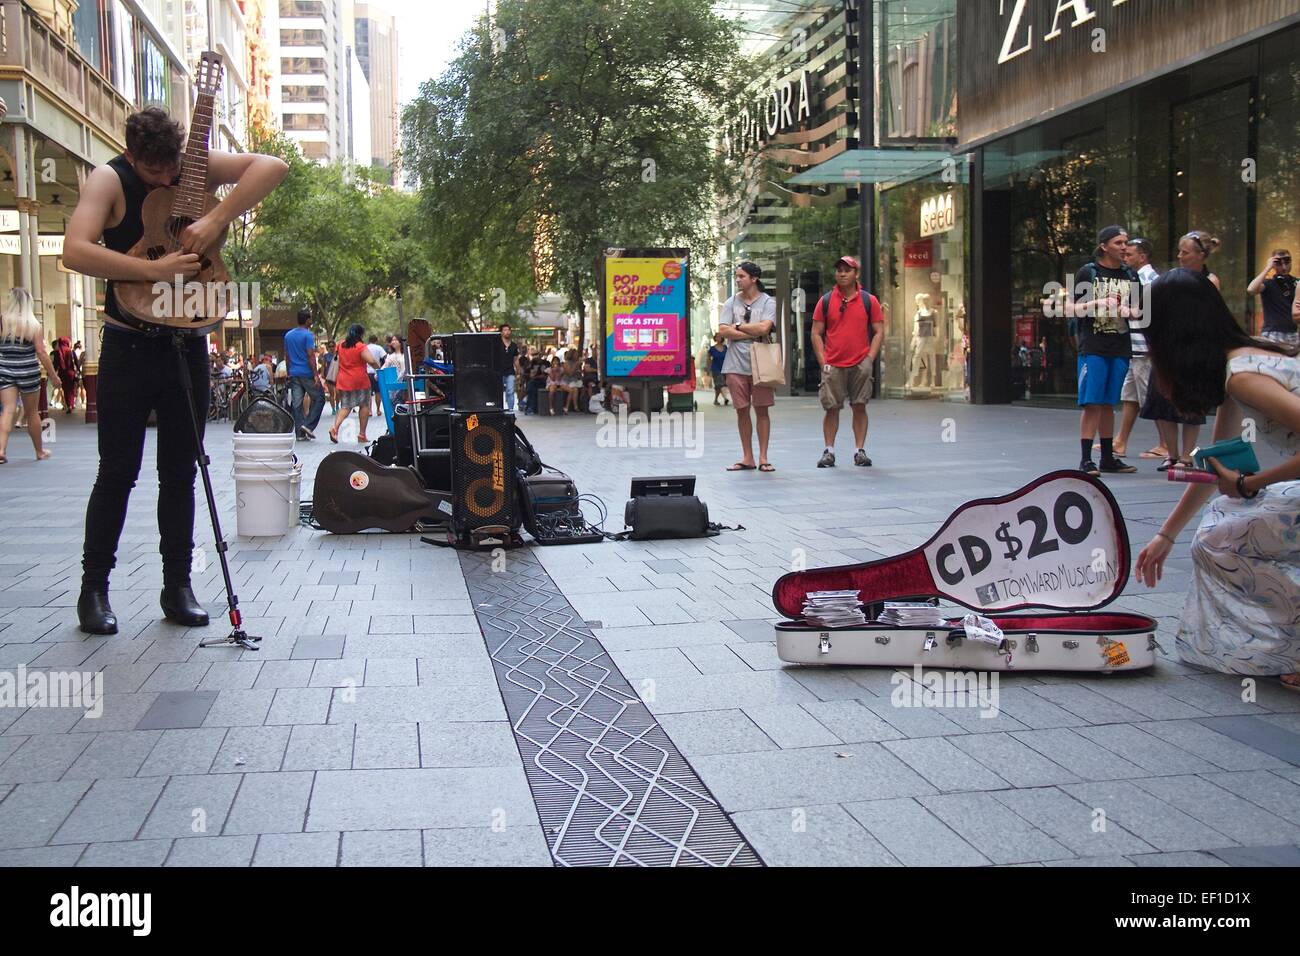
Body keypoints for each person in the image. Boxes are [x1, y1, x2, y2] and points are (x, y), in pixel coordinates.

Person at [61, 106, 288, 635]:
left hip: (184, 344)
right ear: (132, 155)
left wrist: (215, 217)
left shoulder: (190, 167)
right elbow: (74, 249)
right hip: (127, 346)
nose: (168, 179)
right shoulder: (108, 178)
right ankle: (94, 589)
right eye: (155, 172)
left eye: (174, 169)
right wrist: (152, 270)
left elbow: (272, 166)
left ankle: (178, 585)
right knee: (117, 472)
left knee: (181, 473)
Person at [1135, 268, 1300, 689]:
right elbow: (1214, 463)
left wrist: (1252, 483)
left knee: (1217, 540)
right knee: (1222, 517)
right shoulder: (1246, 360)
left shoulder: (1242, 378)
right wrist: (1166, 536)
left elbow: (1233, 476)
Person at [1142, 231, 1219, 471]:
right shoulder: (1172, 277)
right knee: (1160, 397)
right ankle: (1171, 454)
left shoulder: (1210, 280)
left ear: (1201, 255)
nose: (1180, 256)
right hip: (1168, 344)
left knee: (1191, 402)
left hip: (1194, 346)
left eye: (1185, 252)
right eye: (1180, 251)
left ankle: (1186, 456)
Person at [1068, 225, 1139, 476]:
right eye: (1119, 242)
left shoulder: (1130, 275)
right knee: (1092, 403)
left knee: (1109, 403)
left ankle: (1108, 457)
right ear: (1104, 246)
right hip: (1093, 346)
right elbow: (1071, 310)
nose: (1124, 247)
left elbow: (1139, 309)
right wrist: (1096, 302)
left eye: (1126, 243)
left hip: (1119, 346)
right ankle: (1086, 459)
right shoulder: (1089, 272)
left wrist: (1130, 311)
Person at [811, 255, 884, 468]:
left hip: (860, 362)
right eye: (839, 270)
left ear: (856, 274)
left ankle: (859, 450)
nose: (842, 273)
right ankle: (829, 451)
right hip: (833, 364)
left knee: (859, 406)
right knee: (831, 408)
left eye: (847, 270)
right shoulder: (826, 301)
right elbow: (816, 333)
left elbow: (879, 331)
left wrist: (870, 358)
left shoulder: (868, 301)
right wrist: (823, 360)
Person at [1110, 237, 1167, 461]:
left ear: (1142, 256)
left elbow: (1145, 311)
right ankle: (1120, 441)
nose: (1125, 257)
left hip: (1144, 348)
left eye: (1129, 254)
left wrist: (1124, 309)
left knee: (1151, 397)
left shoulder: (1148, 279)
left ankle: (1165, 444)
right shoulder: (1139, 278)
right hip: (1136, 348)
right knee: (1130, 396)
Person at [718, 261, 776, 472]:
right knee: (741, 410)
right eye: (737, 276)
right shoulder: (731, 302)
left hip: (761, 362)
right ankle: (747, 456)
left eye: (741, 276)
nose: (738, 280)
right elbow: (723, 330)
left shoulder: (768, 302)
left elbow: (765, 328)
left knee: (762, 410)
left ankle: (763, 457)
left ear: (754, 279)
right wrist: (751, 332)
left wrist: (739, 326)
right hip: (734, 363)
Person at [0, 288, 56, 463]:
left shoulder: (2, 321)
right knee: (32, 412)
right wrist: (54, 376)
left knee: (8, 410)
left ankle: (1, 449)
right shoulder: (33, 325)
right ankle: (39, 451)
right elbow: (41, 352)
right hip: (28, 372)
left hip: (6, 369)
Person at [329, 323, 381, 443]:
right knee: (364, 405)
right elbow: (371, 360)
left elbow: (337, 357)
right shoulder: (360, 346)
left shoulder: (341, 344)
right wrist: (378, 367)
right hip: (359, 380)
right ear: (360, 334)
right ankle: (362, 435)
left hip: (343, 380)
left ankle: (335, 428)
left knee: (346, 406)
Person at [285, 309, 324, 440]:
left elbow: (287, 355)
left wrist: (289, 371)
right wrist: (315, 374)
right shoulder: (308, 335)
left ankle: (300, 433)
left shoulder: (288, 335)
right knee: (319, 398)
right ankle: (308, 425)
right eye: (310, 319)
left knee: (297, 403)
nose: (311, 321)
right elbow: (310, 354)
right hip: (306, 373)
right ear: (307, 320)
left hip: (294, 373)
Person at [1247, 248, 1297, 347]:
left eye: (1287, 261)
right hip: (1273, 332)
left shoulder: (1296, 283)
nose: (1284, 267)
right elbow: (1251, 289)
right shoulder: (1268, 283)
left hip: (1292, 332)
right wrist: (1268, 267)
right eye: (1279, 263)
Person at [52, 337, 78, 413]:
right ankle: (71, 404)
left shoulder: (57, 352)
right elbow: (76, 362)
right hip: (71, 373)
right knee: (71, 389)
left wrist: (52, 373)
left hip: (62, 373)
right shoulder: (71, 351)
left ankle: (68, 404)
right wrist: (78, 370)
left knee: (65, 389)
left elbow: (55, 364)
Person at [499, 323, 519, 412]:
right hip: (499, 371)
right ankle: (499, 409)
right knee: (498, 391)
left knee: (510, 391)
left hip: (510, 371)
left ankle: (510, 410)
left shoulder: (514, 345)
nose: (507, 332)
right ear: (501, 332)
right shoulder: (497, 344)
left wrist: (518, 372)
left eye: (508, 330)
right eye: (505, 330)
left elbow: (516, 359)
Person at [708, 333, 729, 405]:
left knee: (718, 386)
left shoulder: (725, 347)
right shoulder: (712, 349)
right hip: (716, 368)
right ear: (715, 338)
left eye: (720, 336)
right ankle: (725, 398)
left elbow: (729, 357)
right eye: (717, 336)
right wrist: (709, 369)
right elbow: (708, 359)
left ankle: (715, 400)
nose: (719, 338)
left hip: (725, 368)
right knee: (721, 384)